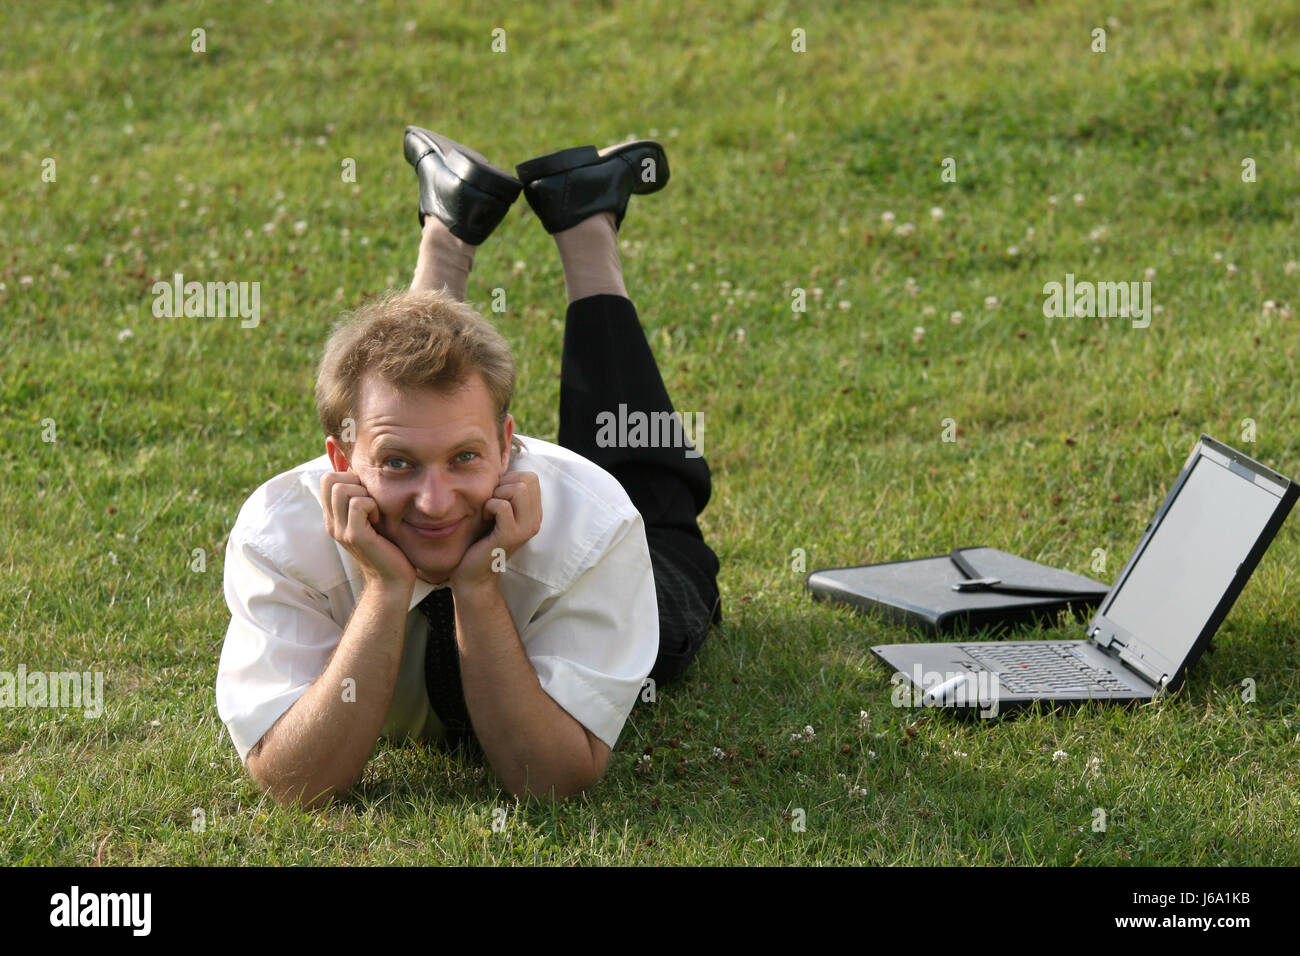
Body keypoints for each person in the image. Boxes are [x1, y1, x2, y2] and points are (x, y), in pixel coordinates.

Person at [215, 127, 721, 808]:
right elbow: (295, 781)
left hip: (609, 542)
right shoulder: (280, 534)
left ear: (509, 445)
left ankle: (586, 228)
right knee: (415, 384)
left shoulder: (594, 526)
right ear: (339, 456)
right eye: (396, 462)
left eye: (466, 457)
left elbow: (549, 781)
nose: (433, 500)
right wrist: (385, 593)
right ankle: (450, 236)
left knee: (654, 501)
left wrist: (480, 590)